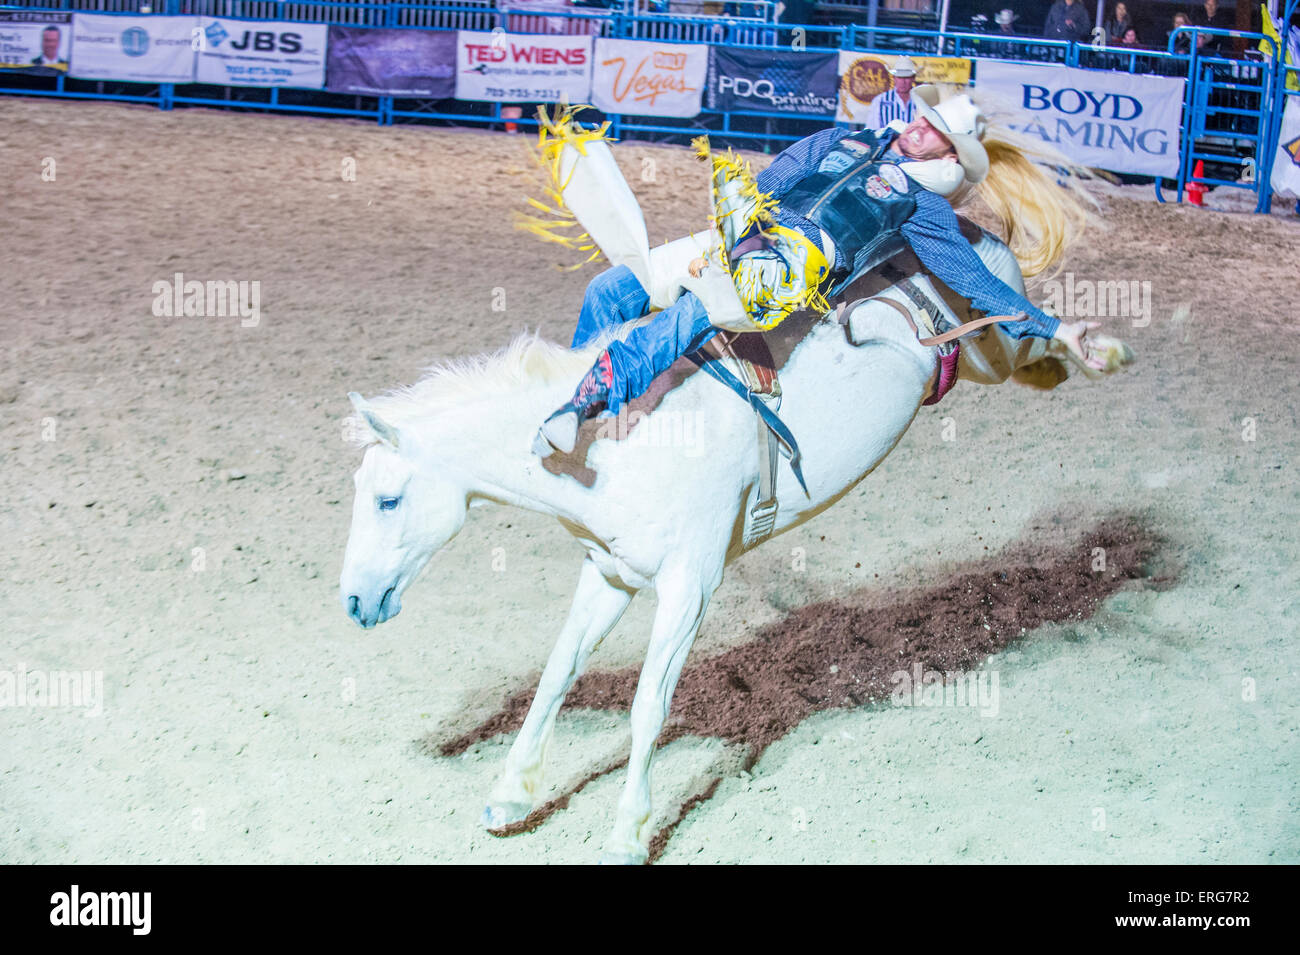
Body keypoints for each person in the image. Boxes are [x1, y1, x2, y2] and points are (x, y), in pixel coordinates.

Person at [530, 91, 1104, 457]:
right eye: (922, 118)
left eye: (935, 131)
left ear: (949, 158)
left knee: (689, 315)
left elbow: (978, 283)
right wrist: (734, 234)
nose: (918, 128)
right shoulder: (841, 138)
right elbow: (774, 180)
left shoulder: (923, 208)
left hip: (785, 278)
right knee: (609, 288)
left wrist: (1056, 328)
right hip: (740, 240)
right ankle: (566, 386)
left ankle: (580, 405)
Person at [866, 56, 919, 128]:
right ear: (894, 78)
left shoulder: (921, 101)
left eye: (906, 77)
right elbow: (873, 130)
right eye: (899, 77)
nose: (902, 82)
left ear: (913, 78)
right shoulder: (880, 101)